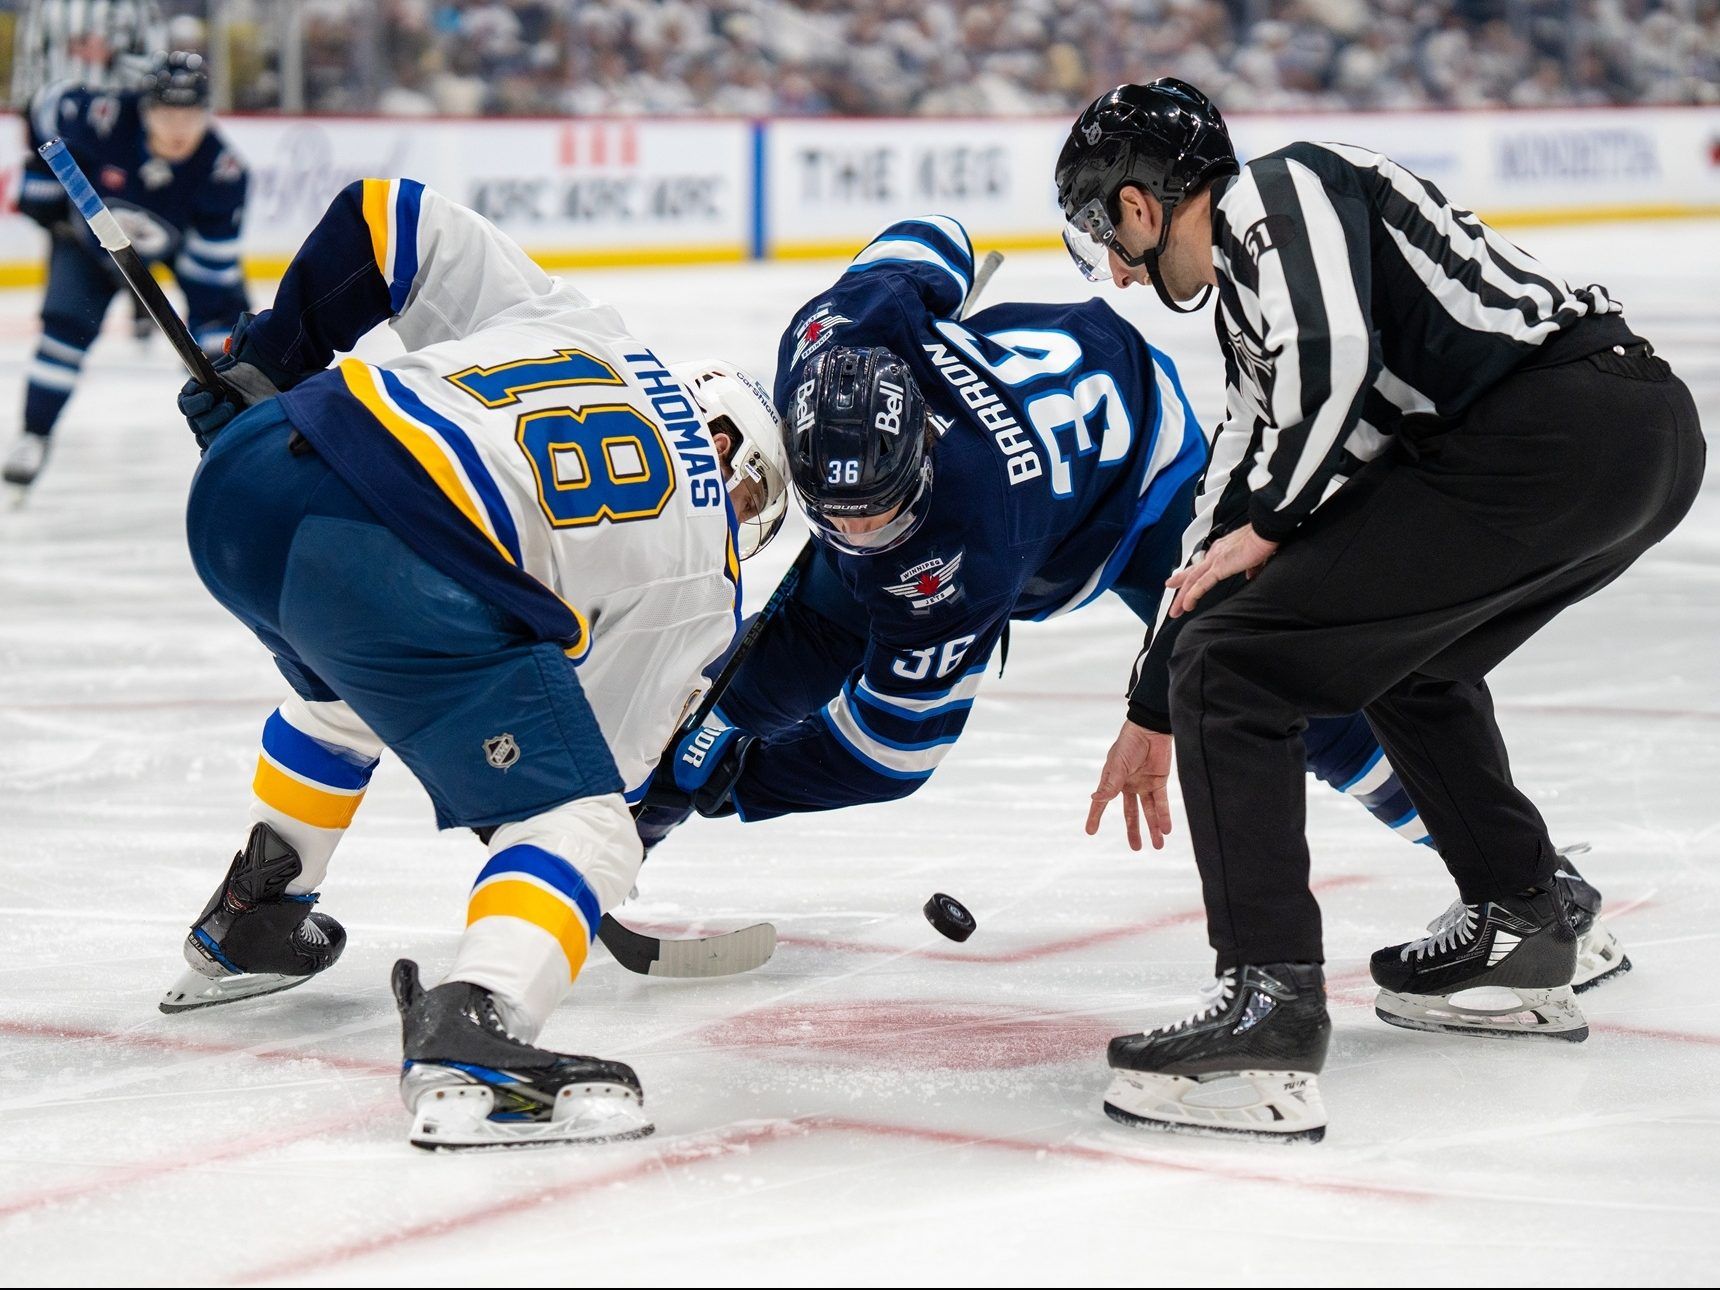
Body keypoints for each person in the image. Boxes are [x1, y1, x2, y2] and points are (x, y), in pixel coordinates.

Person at [1058, 79, 1704, 1140]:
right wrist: (1149, 704)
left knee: (1235, 665)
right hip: (1613, 444)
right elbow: (1226, 501)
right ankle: (1523, 920)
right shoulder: (1254, 307)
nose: (1119, 271)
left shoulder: (1279, 191)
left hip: (1557, 430)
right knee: (1400, 660)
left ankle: (1266, 1013)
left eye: (1107, 235)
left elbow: (1332, 372)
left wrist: (1270, 530)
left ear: (1139, 203)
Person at [165, 177, 789, 1150]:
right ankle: (477, 1033)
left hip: (247, 475)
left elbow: (384, 216)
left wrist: (268, 359)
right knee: (583, 823)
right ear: (733, 454)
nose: (739, 517)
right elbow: (598, 780)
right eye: (753, 499)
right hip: (379, 557)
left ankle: (256, 912)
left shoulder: (584, 325)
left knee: (354, 695)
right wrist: (575, 851)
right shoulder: (704, 577)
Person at [645, 215, 1440, 867]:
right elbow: (935, 235)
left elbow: (891, 754)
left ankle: (1470, 849)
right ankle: (622, 838)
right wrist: (927, 298)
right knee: (741, 689)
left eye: (878, 515)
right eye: (836, 516)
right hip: (1030, 406)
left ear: (923, 452)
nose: (858, 536)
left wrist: (750, 782)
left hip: (1137, 482)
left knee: (1264, 676)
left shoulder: (964, 550)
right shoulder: (836, 332)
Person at [6, 51, 246, 491]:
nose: (178, 128)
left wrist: (215, 356)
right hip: (88, 243)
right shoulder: (104, 117)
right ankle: (33, 434)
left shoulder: (222, 172)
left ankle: (243, 442)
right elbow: (44, 104)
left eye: (190, 115)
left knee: (227, 340)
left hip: (172, 247)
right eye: (166, 113)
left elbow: (211, 281)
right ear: (146, 108)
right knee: (65, 329)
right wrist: (41, 180)